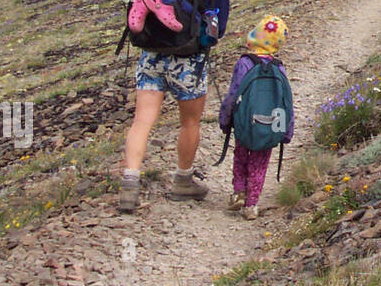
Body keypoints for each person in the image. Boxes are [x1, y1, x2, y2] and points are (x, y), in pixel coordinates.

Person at [218, 16, 293, 221]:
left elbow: (234, 93)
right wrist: (287, 130)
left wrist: (225, 118)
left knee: (240, 156)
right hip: (270, 126)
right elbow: (286, 101)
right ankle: (252, 204)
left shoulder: (245, 62)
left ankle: (239, 192)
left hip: (245, 123)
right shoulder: (279, 67)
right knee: (259, 163)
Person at [118, 50, 211, 211]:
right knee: (190, 122)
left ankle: (130, 182)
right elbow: (217, 30)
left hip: (152, 57)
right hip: (189, 60)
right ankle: (183, 180)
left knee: (141, 122)